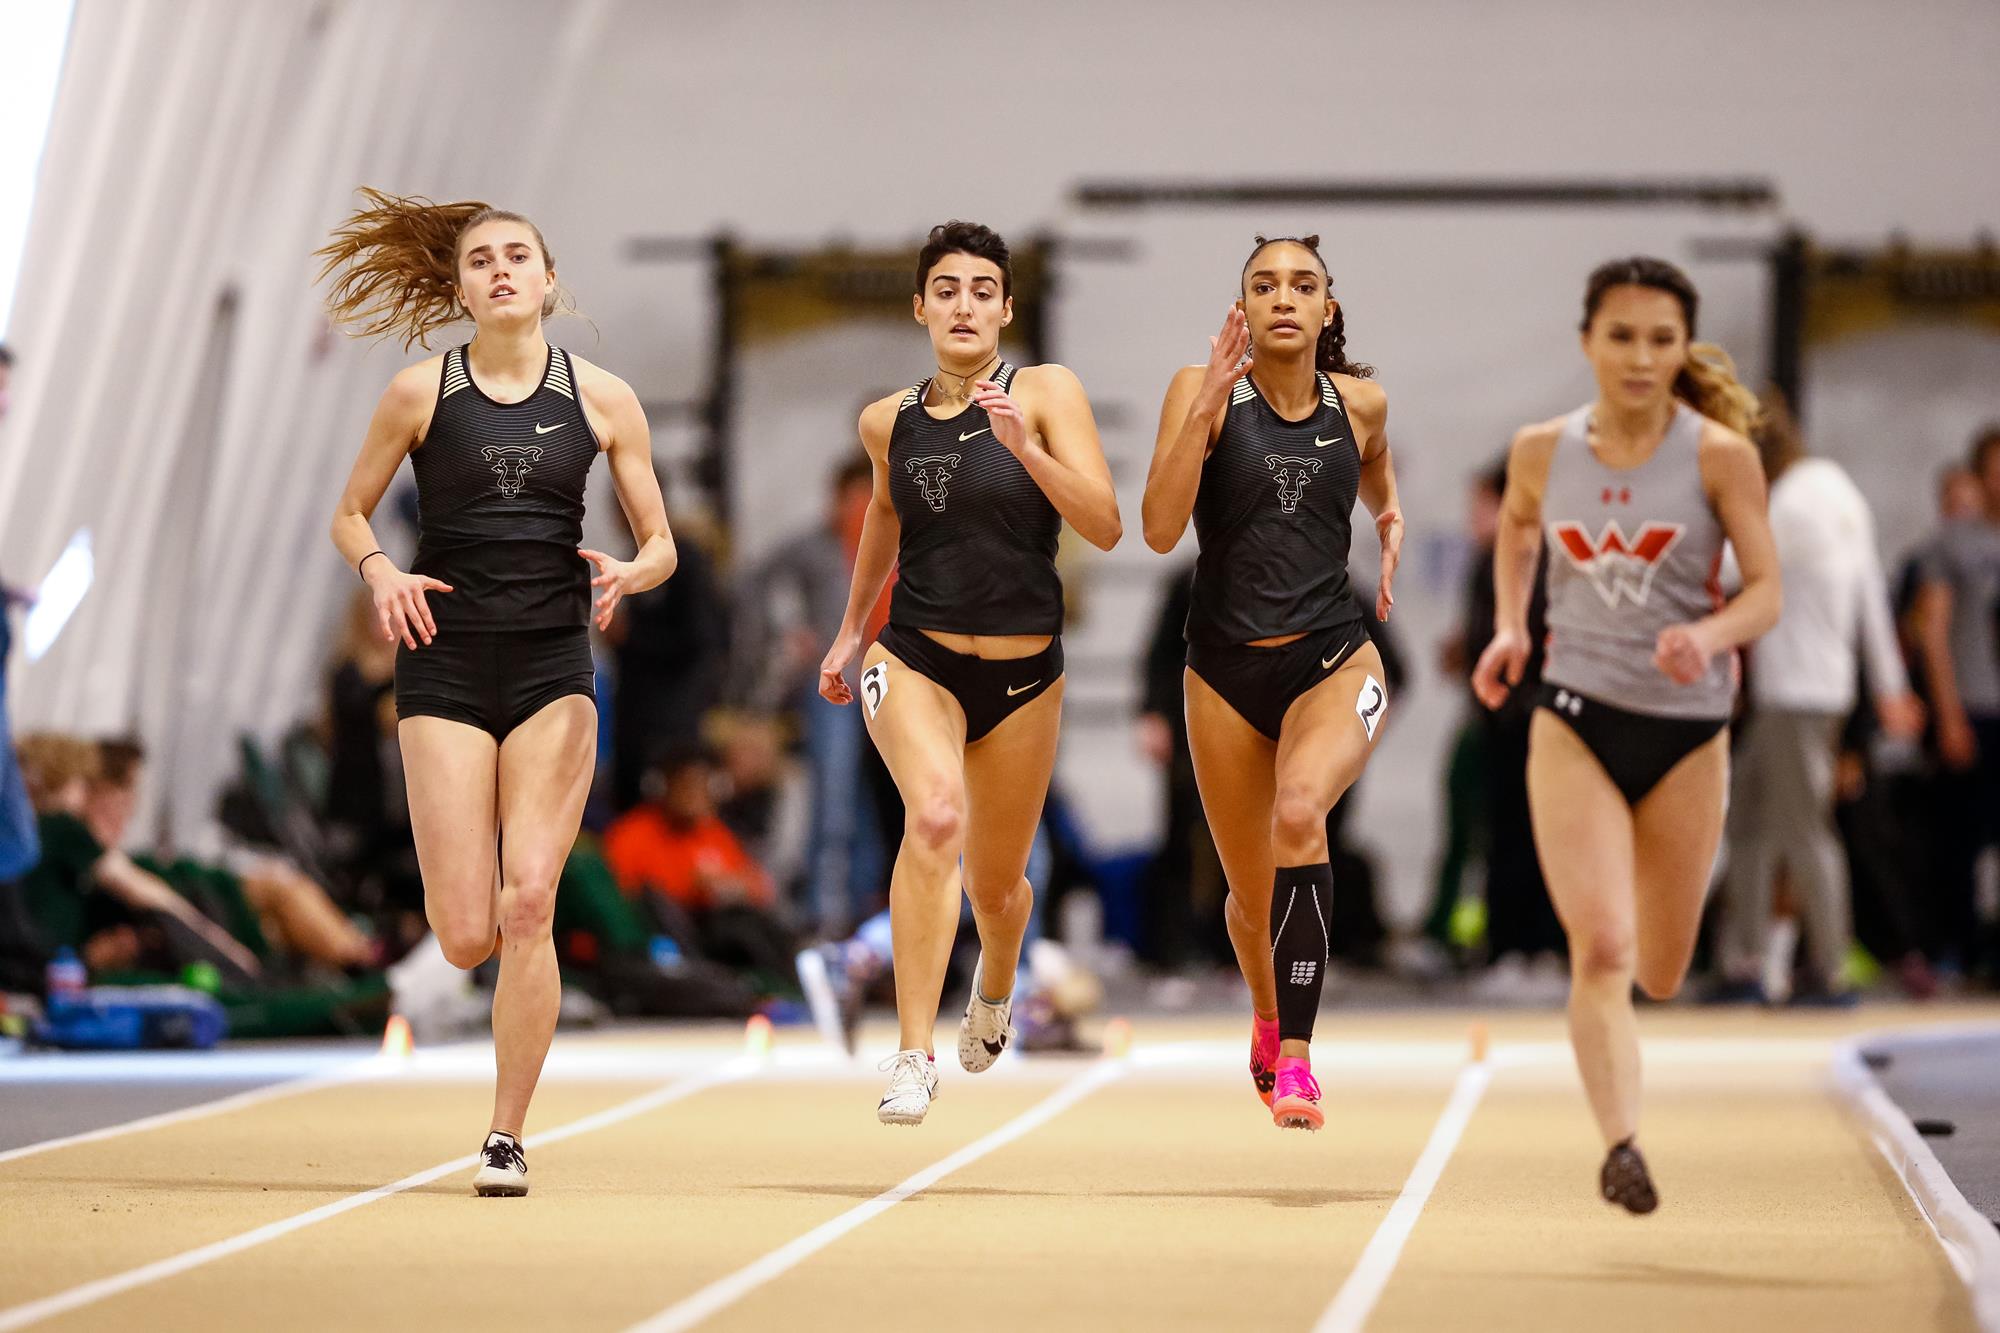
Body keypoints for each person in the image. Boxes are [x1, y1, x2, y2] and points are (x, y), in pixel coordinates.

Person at [319, 189, 675, 1195]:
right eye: (482, 261)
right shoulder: (417, 393)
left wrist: (631, 573)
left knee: (530, 901)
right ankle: (474, 985)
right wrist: (380, 571)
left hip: (553, 666)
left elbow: (661, 543)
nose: (503, 271)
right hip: (443, 662)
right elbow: (349, 513)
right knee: (465, 928)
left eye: (519, 256)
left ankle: (506, 1134)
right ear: (461, 288)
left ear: (550, 280)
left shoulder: (603, 398)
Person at [1473, 256, 1780, 1213]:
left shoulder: (1719, 454)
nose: (1640, 357)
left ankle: (1631, 1071)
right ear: (1587, 344)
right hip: (1574, 715)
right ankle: (1622, 1144)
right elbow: (1518, 528)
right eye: (1621, 336)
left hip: (1688, 730)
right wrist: (1514, 624)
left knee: (1662, 966)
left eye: (1660, 339)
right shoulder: (1539, 449)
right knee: (1602, 949)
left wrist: (1710, 632)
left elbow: (1767, 592)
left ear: (1683, 348)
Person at [817, 221, 1120, 1124]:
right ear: (920, 308)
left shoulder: (1048, 392)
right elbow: (882, 519)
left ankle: (995, 982)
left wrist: (1028, 449)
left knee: (999, 884)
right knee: (936, 815)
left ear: (1007, 309)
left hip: (1026, 673)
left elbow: (1103, 524)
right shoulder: (887, 420)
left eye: (982, 289)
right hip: (916, 657)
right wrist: (847, 635)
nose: (964, 304)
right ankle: (911, 1052)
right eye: (946, 289)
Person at [1140, 234, 1404, 1130]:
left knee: (1302, 811)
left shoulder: (1360, 402)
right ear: (1242, 310)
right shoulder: (1200, 390)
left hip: (1332, 654)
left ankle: (1297, 1057)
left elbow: (1373, 465)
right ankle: (1264, 1013)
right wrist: (1208, 402)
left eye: (1303, 284)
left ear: (1329, 308)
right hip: (1222, 669)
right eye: (1265, 285)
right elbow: (1158, 525)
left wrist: (1392, 511)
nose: (1284, 297)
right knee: (1250, 901)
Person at [1715, 397, 1921, 1004]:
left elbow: (1726, 567)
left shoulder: (1789, 506)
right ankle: (1746, 963)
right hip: (1814, 688)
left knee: (1804, 830)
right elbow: (1871, 602)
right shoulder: (1840, 495)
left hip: (1796, 694)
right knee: (1750, 820)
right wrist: (1890, 688)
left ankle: (1828, 967)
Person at [1909, 426, 2000, 983]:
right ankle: (1955, 950)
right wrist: (1947, 713)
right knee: (1958, 840)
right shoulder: (1952, 544)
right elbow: (1932, 630)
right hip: (1972, 705)